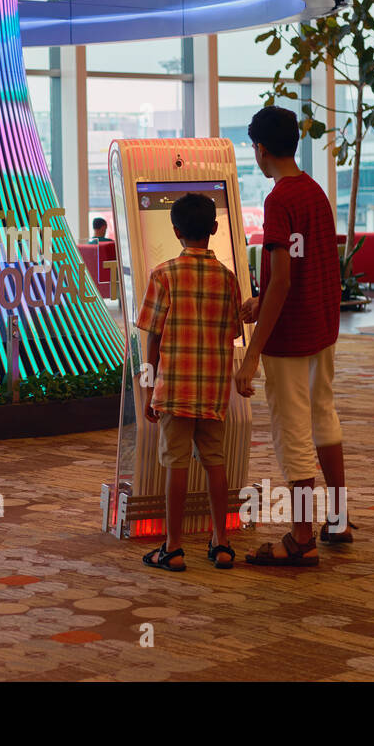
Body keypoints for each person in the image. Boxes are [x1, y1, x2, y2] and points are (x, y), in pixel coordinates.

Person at [235, 106, 349, 568]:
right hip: (321, 328)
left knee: (293, 433)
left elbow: (283, 278)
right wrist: (261, 299)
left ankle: (301, 535)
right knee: (324, 417)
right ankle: (336, 519)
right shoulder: (314, 192)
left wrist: (252, 353)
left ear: (261, 150)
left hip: (290, 336)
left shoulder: (279, 199)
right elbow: (302, 266)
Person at [137, 193, 242, 572]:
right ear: (214, 229)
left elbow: (151, 337)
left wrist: (149, 389)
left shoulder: (163, 275)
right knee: (215, 462)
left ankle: (174, 546)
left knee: (176, 464)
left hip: (175, 389)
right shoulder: (228, 280)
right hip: (213, 390)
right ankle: (223, 542)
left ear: (176, 231)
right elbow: (231, 334)